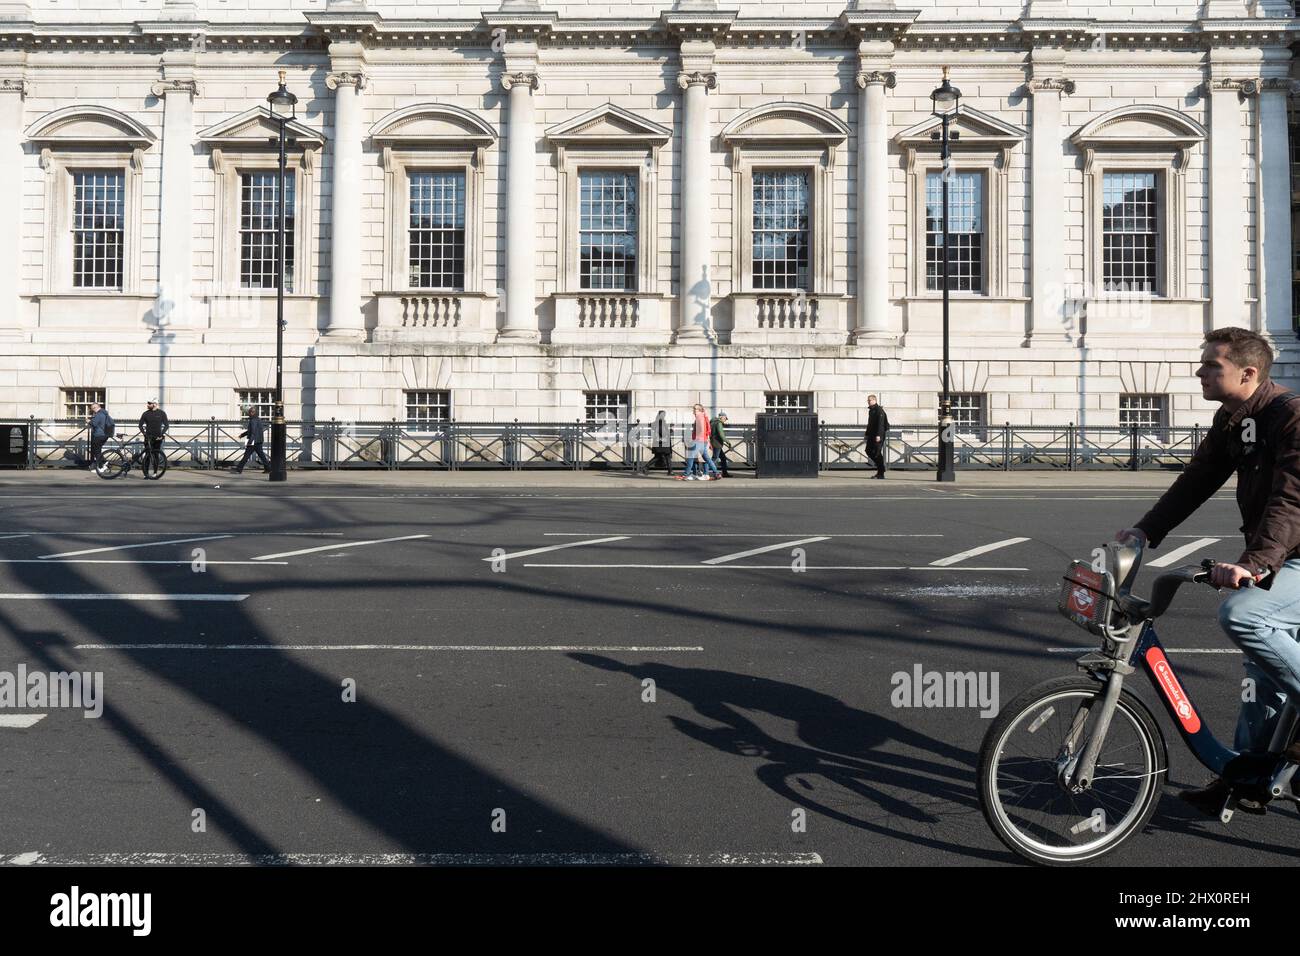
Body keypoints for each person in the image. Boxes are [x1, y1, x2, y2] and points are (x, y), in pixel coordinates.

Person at [1115, 327, 1300, 817]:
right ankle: (1244, 776)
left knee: (1243, 615)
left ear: (1248, 372)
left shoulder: (1292, 416)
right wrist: (1145, 531)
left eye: (1210, 365)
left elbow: (1291, 500)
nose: (1199, 372)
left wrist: (1253, 564)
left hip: (1292, 555)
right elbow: (1197, 479)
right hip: (1281, 555)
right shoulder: (1233, 419)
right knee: (1262, 677)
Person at [677, 403, 720, 481]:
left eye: (695, 408)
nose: (693, 410)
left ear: (699, 410)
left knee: (690, 457)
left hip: (699, 441)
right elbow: (707, 430)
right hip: (703, 441)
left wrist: (696, 439)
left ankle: (685, 475)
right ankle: (717, 473)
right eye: (693, 408)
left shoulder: (699, 417)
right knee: (707, 459)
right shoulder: (704, 416)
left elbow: (702, 429)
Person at [234, 407, 270, 474]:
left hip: (253, 441)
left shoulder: (253, 420)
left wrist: (249, 442)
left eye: (249, 412)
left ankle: (239, 469)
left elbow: (253, 432)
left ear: (253, 412)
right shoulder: (258, 419)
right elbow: (251, 431)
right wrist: (242, 435)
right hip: (259, 440)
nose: (248, 414)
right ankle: (268, 468)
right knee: (262, 455)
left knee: (246, 455)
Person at [138, 398, 169, 477]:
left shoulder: (162, 413)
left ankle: (155, 473)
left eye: (149, 403)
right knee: (147, 455)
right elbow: (140, 425)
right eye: (148, 403)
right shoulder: (145, 413)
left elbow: (166, 425)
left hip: (157, 438)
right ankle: (146, 474)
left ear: (155, 404)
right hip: (148, 438)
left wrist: (161, 434)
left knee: (156, 455)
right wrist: (144, 434)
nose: (148, 405)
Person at [865, 394, 889, 479]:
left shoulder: (879, 410)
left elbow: (881, 424)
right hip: (872, 435)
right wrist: (867, 434)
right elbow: (870, 424)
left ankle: (881, 473)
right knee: (868, 450)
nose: (868, 402)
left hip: (878, 435)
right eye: (868, 400)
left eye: (869, 400)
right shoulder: (871, 410)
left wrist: (878, 435)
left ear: (874, 400)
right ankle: (881, 468)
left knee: (877, 453)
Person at [87, 401, 112, 471]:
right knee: (98, 451)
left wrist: (88, 421)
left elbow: (94, 423)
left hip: (99, 435)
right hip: (105, 434)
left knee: (96, 451)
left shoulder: (99, 414)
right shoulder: (105, 413)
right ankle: (104, 464)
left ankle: (102, 466)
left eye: (92, 409)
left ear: (95, 408)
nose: (93, 411)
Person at [710, 410, 730, 477]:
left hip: (714, 442)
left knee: (723, 458)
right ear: (721, 417)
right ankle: (705, 472)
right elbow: (721, 434)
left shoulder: (713, 422)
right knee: (714, 458)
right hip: (717, 443)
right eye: (725, 418)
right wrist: (728, 441)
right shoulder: (719, 423)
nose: (725, 420)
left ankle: (725, 473)